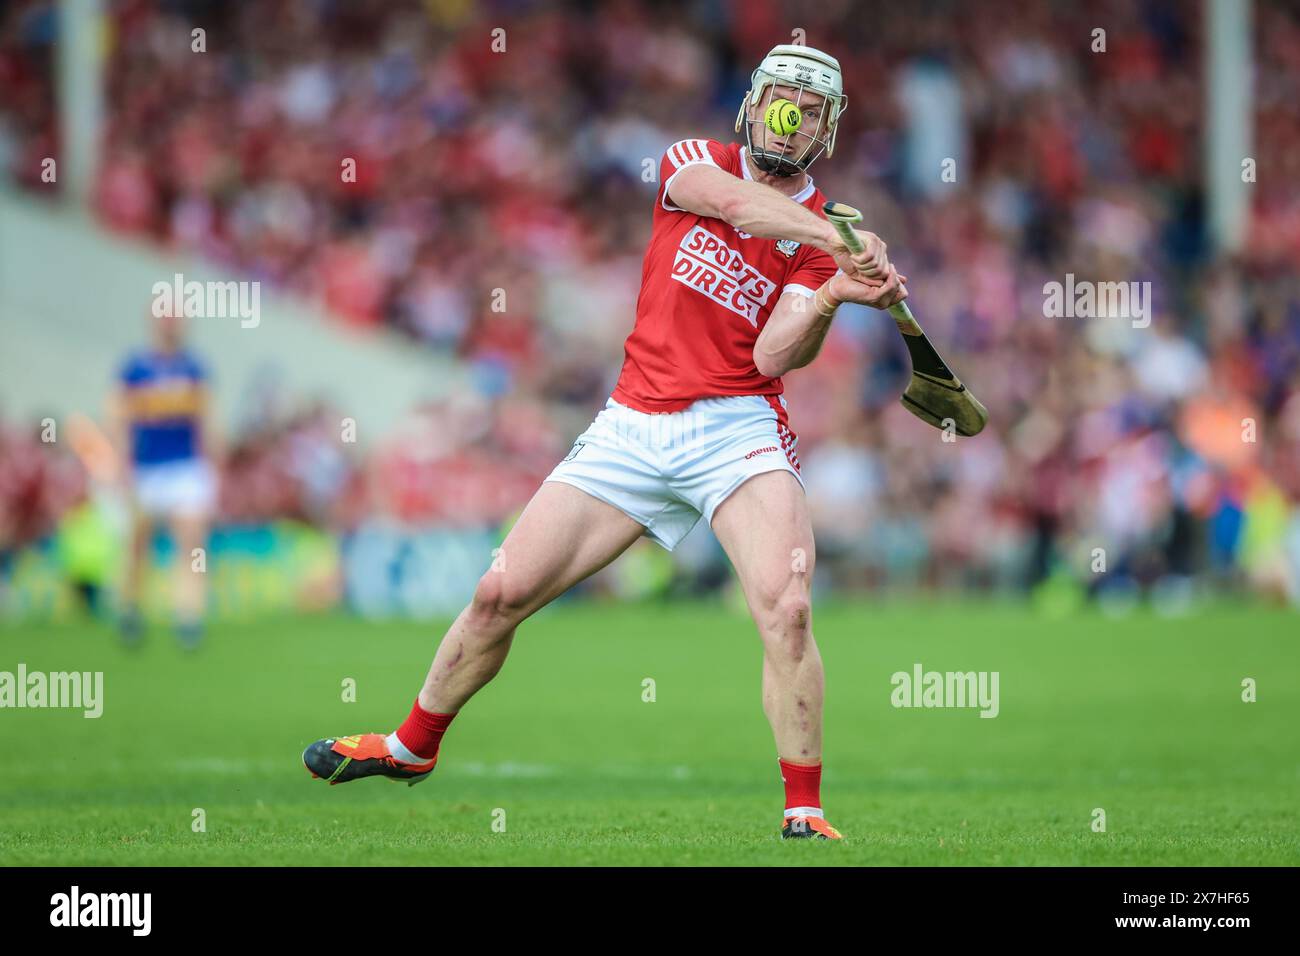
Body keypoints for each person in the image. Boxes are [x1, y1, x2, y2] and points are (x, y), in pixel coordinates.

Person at [303, 44, 907, 840]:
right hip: (633, 422)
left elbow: (773, 356)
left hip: (738, 427)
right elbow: (735, 207)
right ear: (752, 103)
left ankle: (804, 810)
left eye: (810, 107)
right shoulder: (696, 161)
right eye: (778, 97)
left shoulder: (816, 235)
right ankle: (412, 747)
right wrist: (839, 240)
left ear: (827, 128)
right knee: (497, 596)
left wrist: (830, 289)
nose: (788, 117)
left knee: (788, 608)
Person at [110, 309, 218, 647]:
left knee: (191, 540)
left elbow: (208, 420)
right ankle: (130, 608)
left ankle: (188, 617)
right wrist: (120, 462)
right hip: (146, 468)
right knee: (138, 544)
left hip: (185, 466)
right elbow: (117, 416)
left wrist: (215, 464)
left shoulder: (194, 368)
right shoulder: (136, 368)